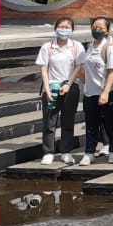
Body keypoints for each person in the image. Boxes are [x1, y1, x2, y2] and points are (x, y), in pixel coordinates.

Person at [36, 17, 84, 165]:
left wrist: (69, 83)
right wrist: (47, 89)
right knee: (49, 122)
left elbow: (78, 66)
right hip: (52, 87)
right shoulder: (47, 47)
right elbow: (43, 69)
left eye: (67, 27)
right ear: (56, 28)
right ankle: (48, 152)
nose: (64, 30)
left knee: (68, 121)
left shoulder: (76, 46)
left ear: (72, 30)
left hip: (70, 88)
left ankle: (66, 152)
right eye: (61, 27)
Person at [77, 17, 113, 165]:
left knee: (110, 124)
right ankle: (89, 152)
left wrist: (106, 92)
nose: (97, 30)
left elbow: (112, 71)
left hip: (106, 92)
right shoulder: (89, 47)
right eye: (95, 27)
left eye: (101, 28)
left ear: (107, 30)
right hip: (90, 92)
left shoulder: (109, 48)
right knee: (91, 125)